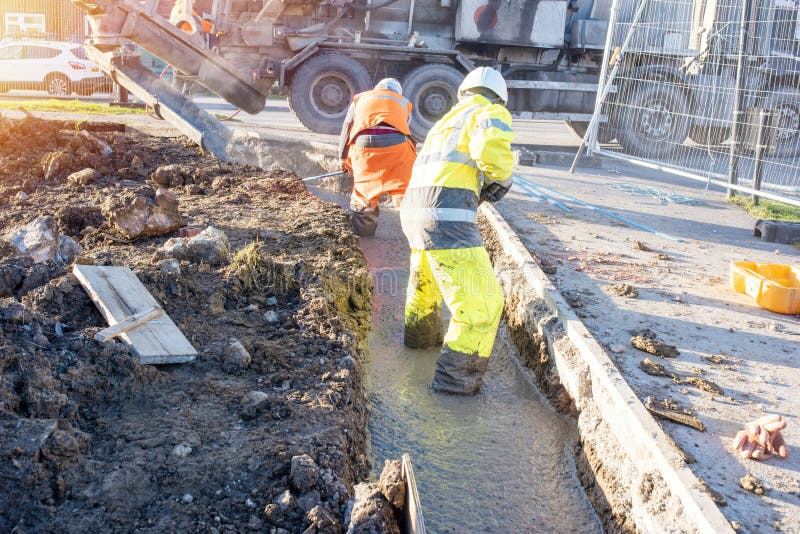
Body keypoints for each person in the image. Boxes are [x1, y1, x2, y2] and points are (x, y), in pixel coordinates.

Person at [399, 67, 515, 395]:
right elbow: (493, 155)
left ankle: (418, 349)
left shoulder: (444, 123)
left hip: (414, 213)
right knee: (483, 306)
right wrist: (501, 181)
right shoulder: (489, 111)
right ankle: (454, 386)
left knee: (425, 289)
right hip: (447, 216)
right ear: (500, 96)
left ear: (464, 90)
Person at [339, 78, 417, 237]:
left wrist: (343, 157)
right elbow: (406, 132)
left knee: (363, 195)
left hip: (363, 148)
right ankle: (415, 237)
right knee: (406, 192)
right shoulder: (404, 102)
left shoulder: (361, 98)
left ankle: (364, 235)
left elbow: (348, 126)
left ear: (377, 88)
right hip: (398, 147)